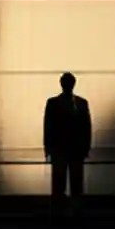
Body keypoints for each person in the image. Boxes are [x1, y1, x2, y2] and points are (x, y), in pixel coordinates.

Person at [43, 72, 91, 215]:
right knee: (60, 183)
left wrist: (85, 147)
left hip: (73, 149)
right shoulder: (55, 103)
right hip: (62, 149)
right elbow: (48, 126)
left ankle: (72, 210)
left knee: (74, 182)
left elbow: (86, 127)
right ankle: (61, 210)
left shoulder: (80, 103)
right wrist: (48, 147)